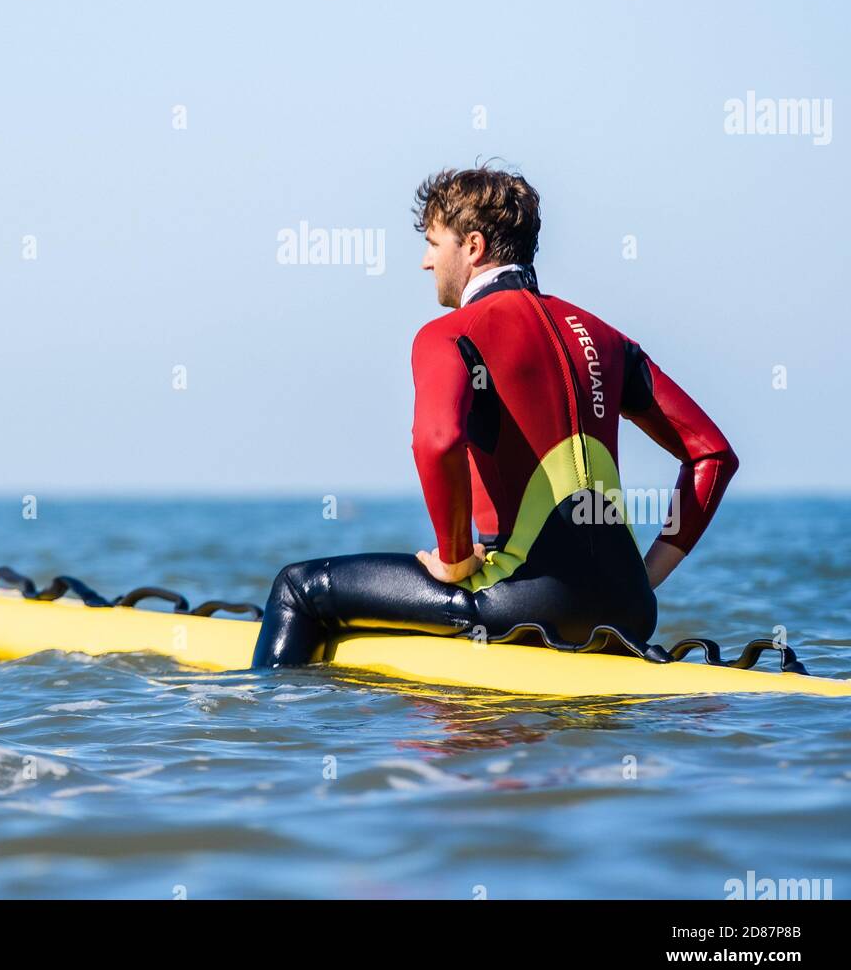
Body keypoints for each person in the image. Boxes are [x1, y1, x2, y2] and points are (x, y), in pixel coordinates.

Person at [251, 165, 738, 669]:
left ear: (473, 246)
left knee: (296, 588)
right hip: (631, 610)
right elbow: (713, 454)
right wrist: (645, 576)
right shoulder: (606, 337)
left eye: (432, 243)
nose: (424, 262)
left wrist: (456, 557)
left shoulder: (451, 333)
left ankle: (265, 723)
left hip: (515, 602)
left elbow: (437, 441)